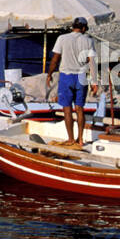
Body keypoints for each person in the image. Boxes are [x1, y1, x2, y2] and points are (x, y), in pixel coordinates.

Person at [46, 16, 98, 148]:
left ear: (73, 26)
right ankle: (80, 139)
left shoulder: (62, 39)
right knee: (80, 109)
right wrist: (94, 82)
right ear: (84, 28)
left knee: (67, 110)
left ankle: (71, 139)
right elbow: (92, 62)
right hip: (81, 77)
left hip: (66, 76)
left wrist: (50, 74)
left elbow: (55, 59)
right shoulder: (88, 41)